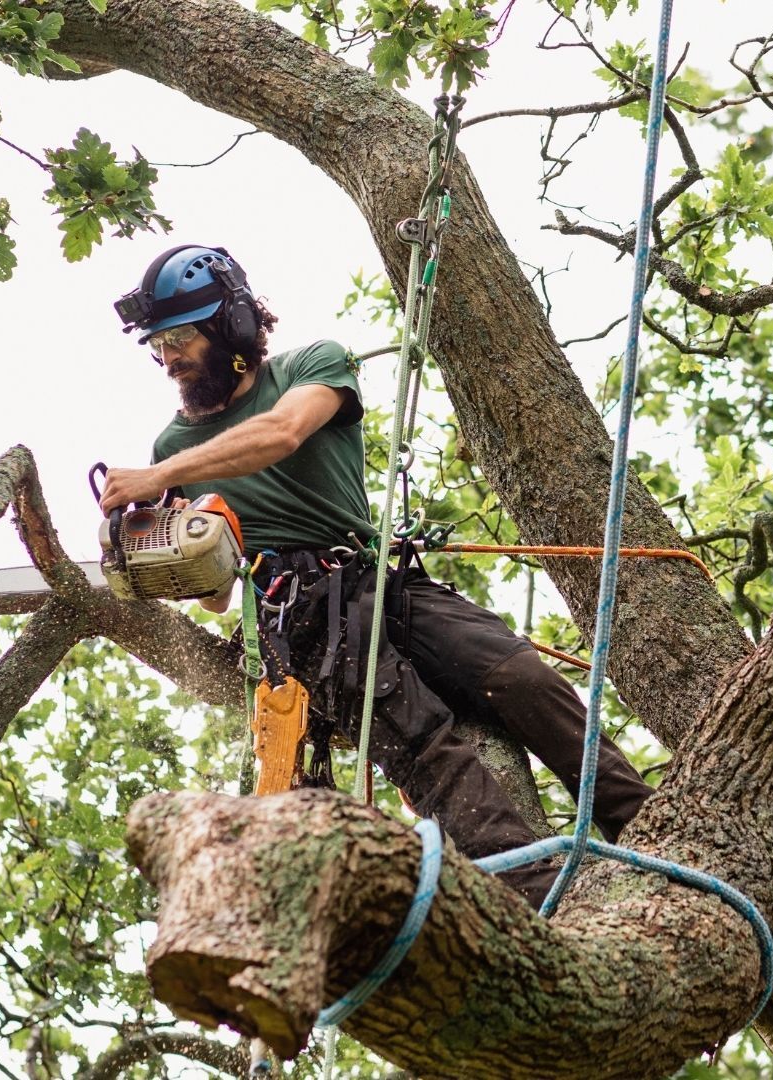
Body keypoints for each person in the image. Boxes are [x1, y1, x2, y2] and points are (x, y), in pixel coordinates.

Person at [98, 244, 652, 904]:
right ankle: (540, 894)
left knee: (521, 676)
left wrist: (161, 476)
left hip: (376, 581)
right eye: (158, 345)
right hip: (301, 616)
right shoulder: (173, 446)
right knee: (424, 742)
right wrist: (171, 548)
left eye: (180, 338)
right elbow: (217, 598)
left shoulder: (312, 366)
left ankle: (646, 828)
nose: (168, 358)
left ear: (232, 325)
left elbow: (282, 434)